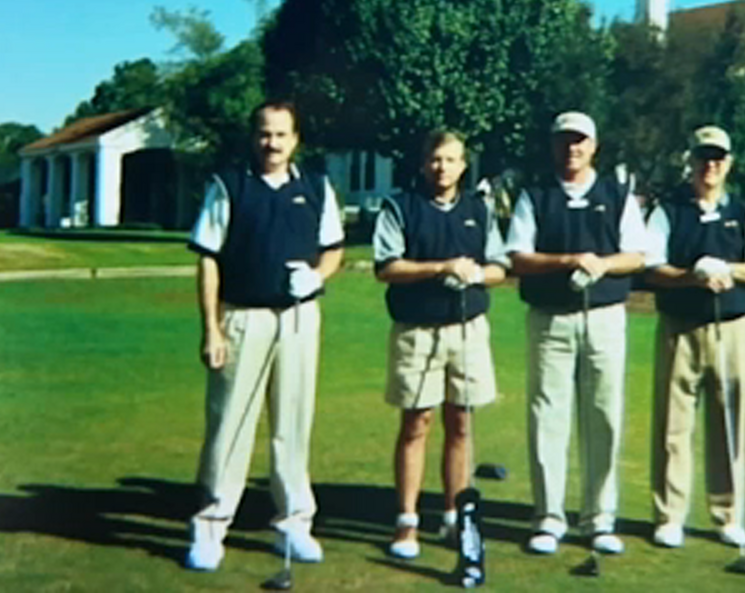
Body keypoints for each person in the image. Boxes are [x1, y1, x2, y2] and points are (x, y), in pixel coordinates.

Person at [183, 102, 345, 572]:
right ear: (253, 137)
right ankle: (210, 526)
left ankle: (294, 522)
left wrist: (316, 276)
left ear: (295, 139)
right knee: (229, 426)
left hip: (297, 318)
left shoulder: (316, 187)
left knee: (292, 425)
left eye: (280, 135)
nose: (271, 143)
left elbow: (332, 249)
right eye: (263, 134)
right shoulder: (228, 185)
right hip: (242, 317)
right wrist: (211, 327)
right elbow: (208, 258)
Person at [505, 111, 649, 556]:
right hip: (550, 319)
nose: (573, 148)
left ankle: (599, 517)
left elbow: (637, 255)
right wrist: (569, 260)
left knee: (603, 414)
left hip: (605, 317)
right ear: (554, 146)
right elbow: (518, 257)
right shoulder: (535, 196)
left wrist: (602, 264)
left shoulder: (617, 195)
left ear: (594, 145)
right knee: (548, 415)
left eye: (580, 140)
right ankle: (549, 517)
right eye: (565, 140)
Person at [373, 130, 509, 559]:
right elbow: (386, 267)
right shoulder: (400, 206)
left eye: (450, 160)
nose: (442, 168)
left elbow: (500, 267)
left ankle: (454, 517)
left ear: (463, 166)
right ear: (422, 164)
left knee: (462, 423)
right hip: (417, 330)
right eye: (435, 160)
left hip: (468, 329)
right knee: (417, 423)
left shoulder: (479, 209)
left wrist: (475, 274)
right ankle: (406, 521)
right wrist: (438, 269)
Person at [642, 126, 745, 549]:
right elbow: (652, 267)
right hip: (679, 328)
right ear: (692, 160)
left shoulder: (744, 210)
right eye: (703, 156)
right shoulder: (669, 210)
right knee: (672, 426)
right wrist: (690, 275)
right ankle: (669, 516)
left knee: (728, 421)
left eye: (718, 157)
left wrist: (727, 270)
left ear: (729, 163)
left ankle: (727, 514)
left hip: (731, 329)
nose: (710, 164)